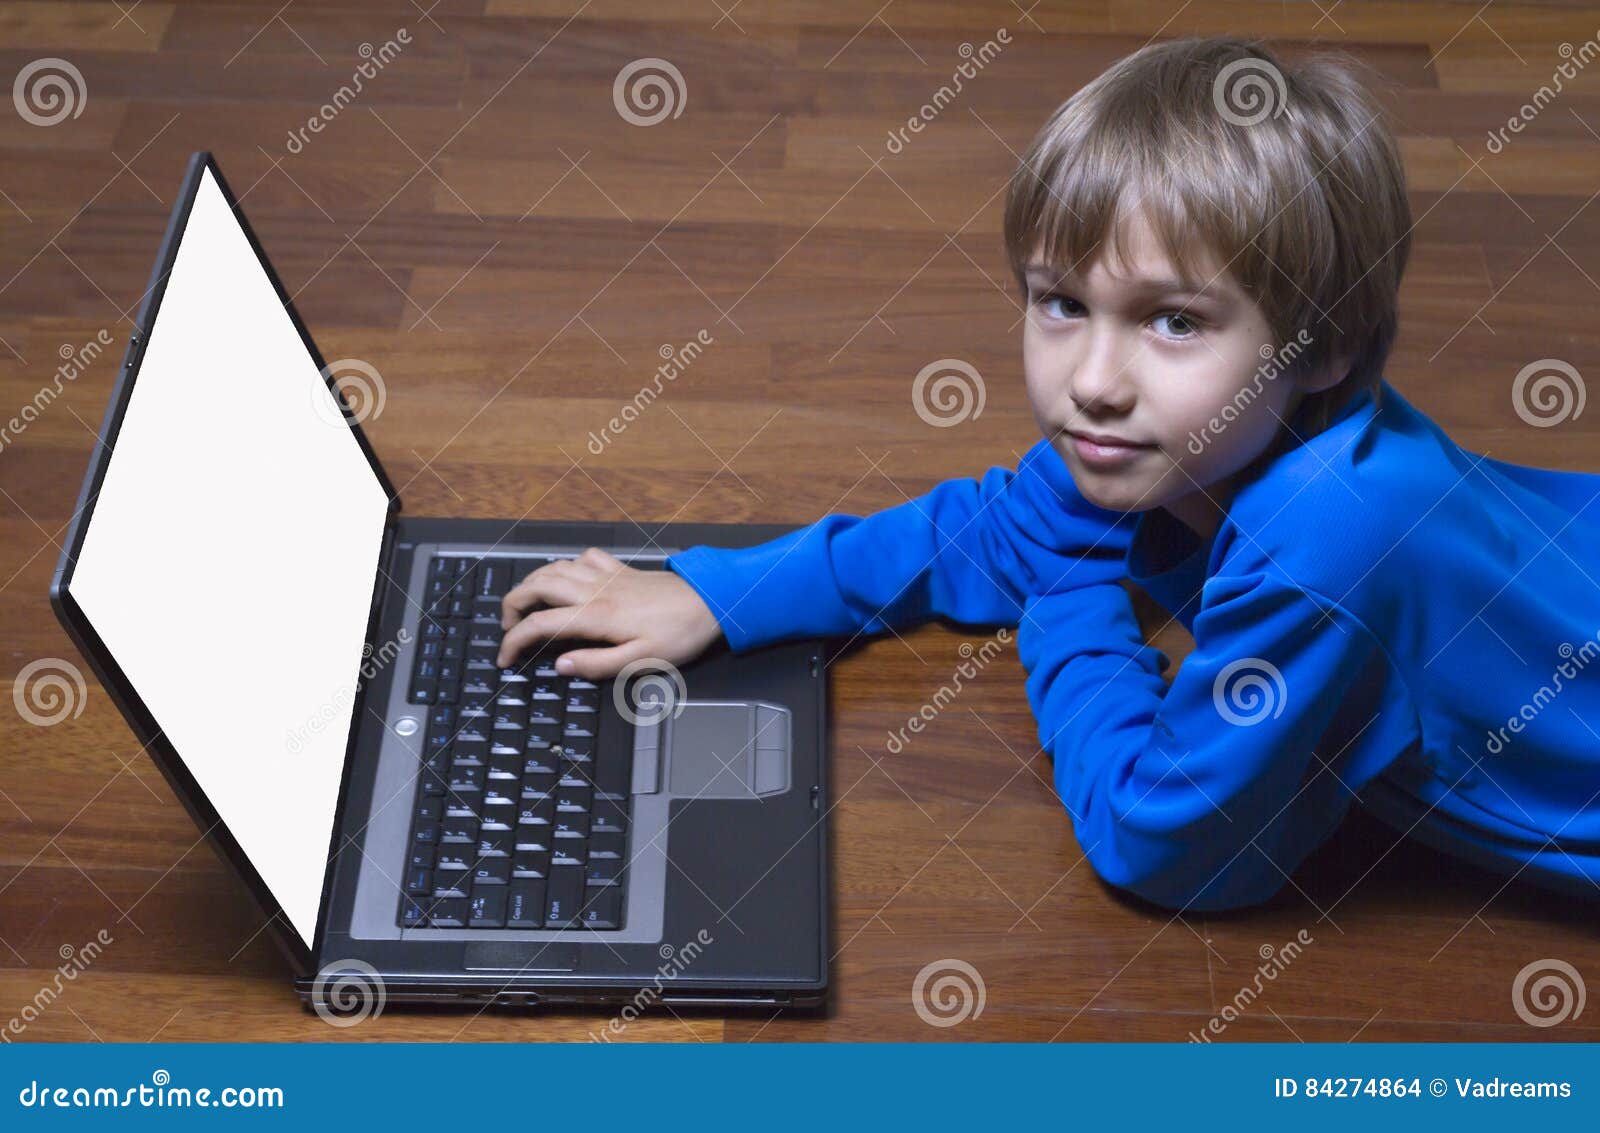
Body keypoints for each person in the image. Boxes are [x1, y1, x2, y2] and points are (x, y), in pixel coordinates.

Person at [497, 36, 1600, 911]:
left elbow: (1168, 845)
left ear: (1321, 348)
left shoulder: (1331, 536)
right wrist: (722, 591)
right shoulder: (1190, 426)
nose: (1094, 381)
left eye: (1174, 321)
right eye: (1060, 302)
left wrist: (1069, 609)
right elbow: (990, 530)